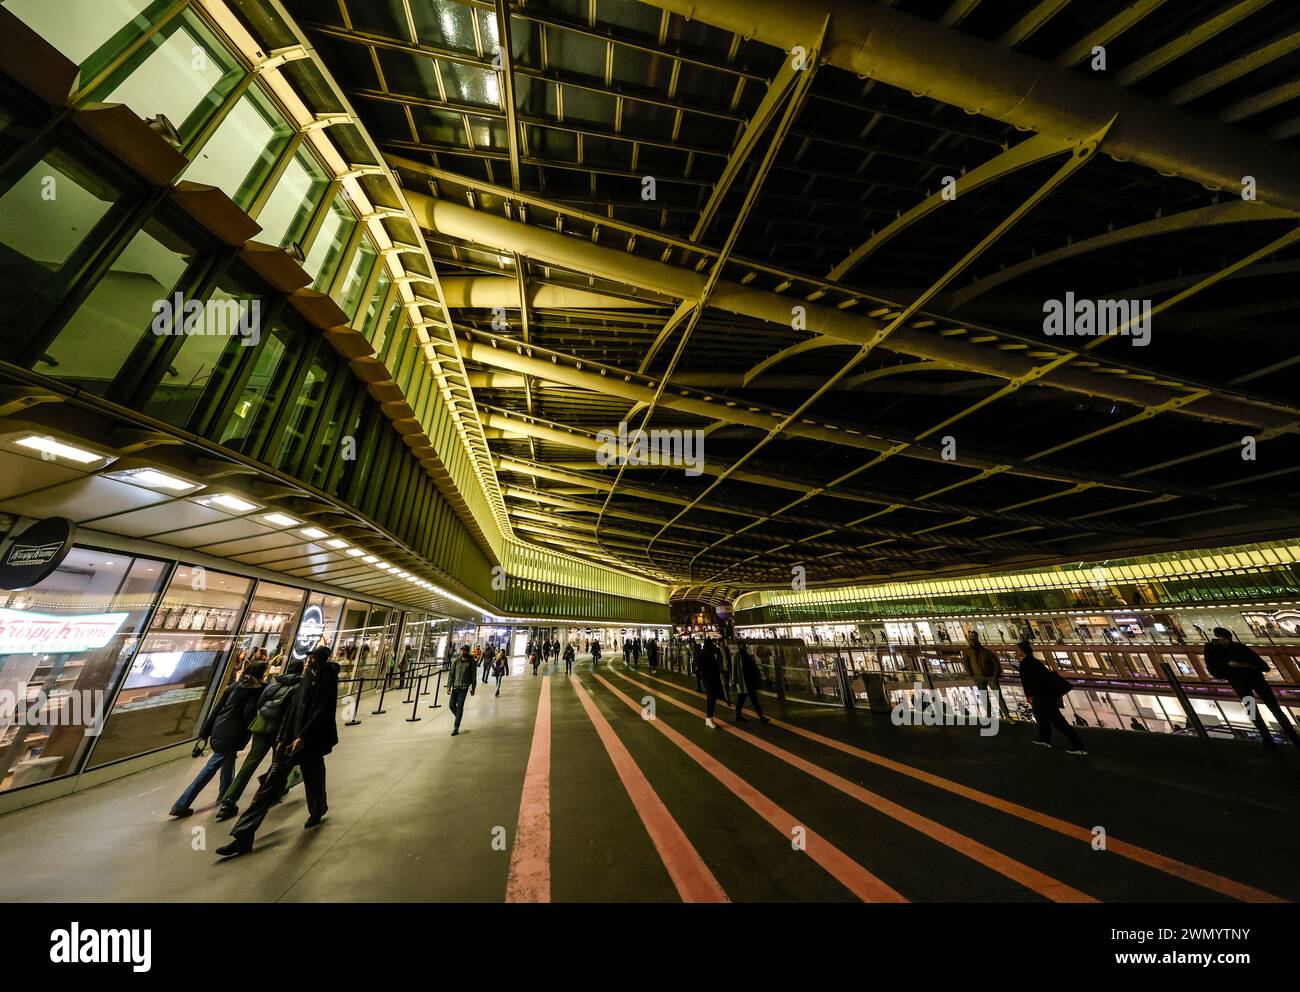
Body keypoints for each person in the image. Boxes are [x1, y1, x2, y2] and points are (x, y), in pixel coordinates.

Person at [215, 645, 339, 857]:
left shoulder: (327, 681)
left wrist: (303, 737)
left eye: (311, 658)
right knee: (268, 788)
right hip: (290, 740)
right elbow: (291, 712)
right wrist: (283, 737)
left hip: (310, 742)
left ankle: (318, 809)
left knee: (314, 777)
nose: (308, 661)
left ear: (319, 660)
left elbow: (322, 712)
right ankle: (242, 835)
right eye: (308, 658)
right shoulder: (305, 680)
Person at [169, 660, 267, 817]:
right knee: (212, 766)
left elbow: (216, 710)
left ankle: (225, 793)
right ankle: (181, 803)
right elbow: (248, 714)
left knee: (228, 759)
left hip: (220, 727)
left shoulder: (234, 686)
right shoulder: (255, 691)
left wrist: (205, 732)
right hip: (232, 733)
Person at [215, 657, 304, 822]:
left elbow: (260, 704)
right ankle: (267, 794)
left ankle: (228, 801)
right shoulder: (300, 688)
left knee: (249, 763)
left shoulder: (274, 684)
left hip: (261, 727)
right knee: (279, 763)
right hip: (281, 731)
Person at [1204, 627, 1300, 748]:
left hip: (1239, 683)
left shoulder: (1214, 651)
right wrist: (1250, 666)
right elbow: (1261, 665)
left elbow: (1223, 666)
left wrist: (1236, 666)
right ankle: (1294, 739)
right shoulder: (1239, 647)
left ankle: (1267, 739)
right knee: (1274, 708)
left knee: (1253, 711)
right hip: (1255, 679)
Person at [1016, 641, 1086, 755]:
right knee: (1042, 717)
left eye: (1017, 649)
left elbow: (1027, 682)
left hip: (1040, 696)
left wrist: (1029, 695)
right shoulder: (1035, 662)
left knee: (1057, 721)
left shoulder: (1025, 664)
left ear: (1022, 650)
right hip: (1045, 695)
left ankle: (1079, 746)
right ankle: (1044, 739)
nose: (1016, 651)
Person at [961, 630, 1009, 719]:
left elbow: (995, 663)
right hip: (978, 677)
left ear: (977, 640)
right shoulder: (967, 652)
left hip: (990, 677)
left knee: (998, 697)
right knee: (985, 697)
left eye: (973, 640)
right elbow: (966, 663)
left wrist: (995, 675)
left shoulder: (986, 651)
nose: (971, 642)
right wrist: (971, 675)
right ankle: (989, 715)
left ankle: (1006, 715)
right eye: (970, 640)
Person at [733, 641, 769, 724]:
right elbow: (734, 669)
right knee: (747, 699)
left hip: (749, 681)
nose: (744, 647)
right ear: (739, 646)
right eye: (742, 645)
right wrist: (734, 681)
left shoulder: (746, 655)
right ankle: (760, 717)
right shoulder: (737, 656)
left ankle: (759, 716)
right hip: (743, 682)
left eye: (744, 645)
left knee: (746, 699)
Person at [447, 645, 477, 736]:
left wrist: (473, 688)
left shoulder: (471, 662)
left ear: (467, 651)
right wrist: (448, 686)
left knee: (460, 706)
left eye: (464, 651)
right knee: (451, 705)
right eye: (462, 650)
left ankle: (456, 727)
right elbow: (451, 673)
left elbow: (473, 676)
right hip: (455, 687)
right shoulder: (456, 661)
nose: (463, 652)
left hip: (464, 688)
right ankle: (458, 717)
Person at [698, 639, 726, 730]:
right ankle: (709, 718)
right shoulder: (704, 654)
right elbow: (702, 669)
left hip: (712, 680)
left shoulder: (709, 653)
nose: (713, 645)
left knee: (712, 699)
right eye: (711, 644)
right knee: (711, 699)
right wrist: (706, 680)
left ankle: (709, 718)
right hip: (709, 681)